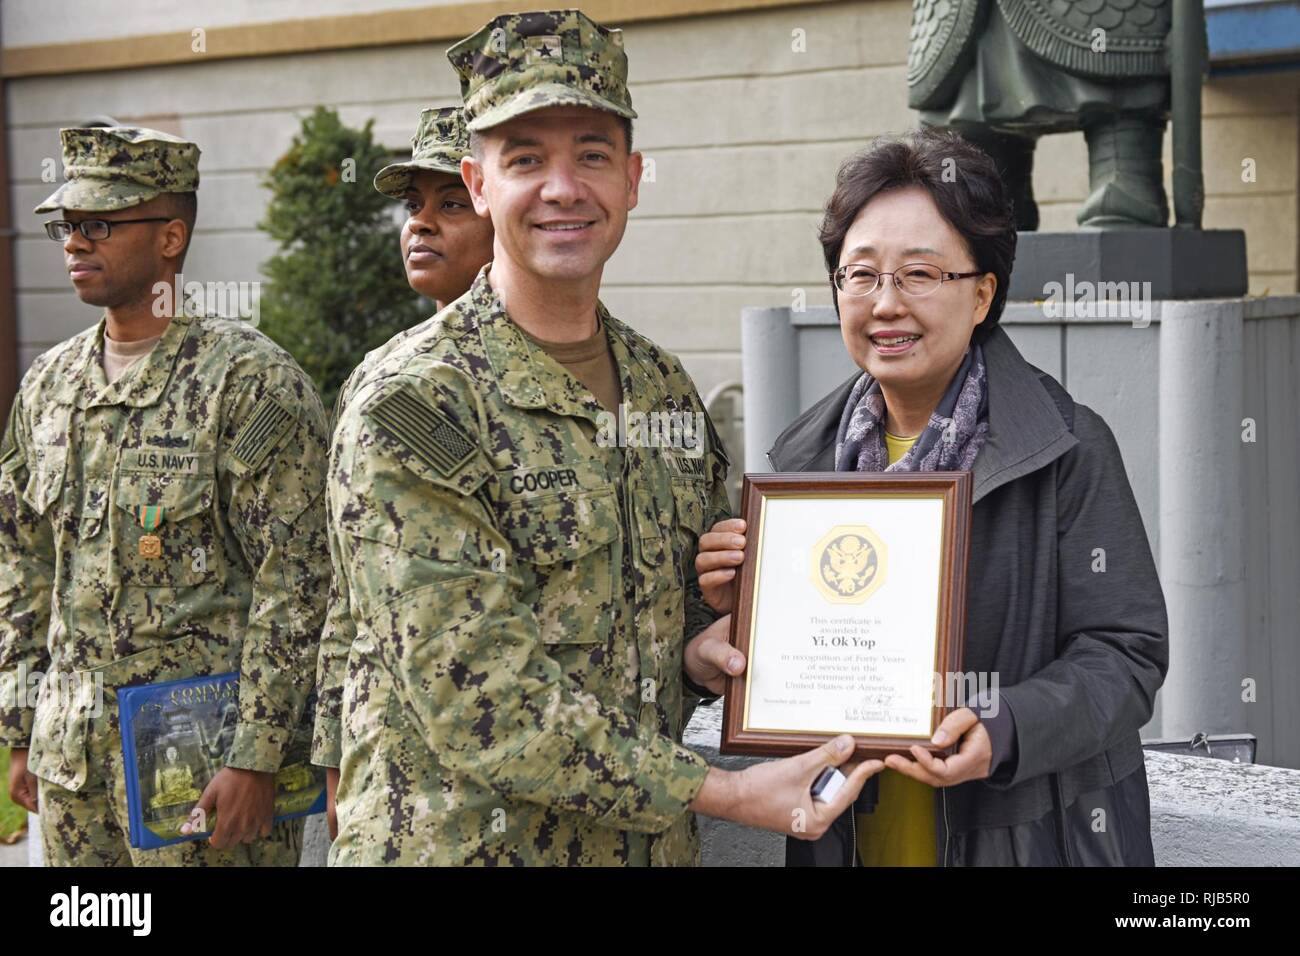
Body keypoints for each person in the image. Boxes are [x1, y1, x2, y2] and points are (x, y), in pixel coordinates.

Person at [326, 8, 882, 865]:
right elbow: (480, 699)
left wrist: (701, 650)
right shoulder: (415, 404)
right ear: (478, 183)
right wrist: (730, 793)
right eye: (525, 160)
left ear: (631, 177)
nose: (563, 188)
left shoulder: (661, 388)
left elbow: (654, 630)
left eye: (590, 155)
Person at [695, 127, 1169, 866]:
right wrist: (741, 616)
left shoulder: (1065, 447)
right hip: (847, 840)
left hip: (1022, 842)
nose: (886, 303)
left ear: (982, 293)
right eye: (860, 275)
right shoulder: (804, 464)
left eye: (919, 274)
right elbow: (789, 667)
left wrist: (1006, 725)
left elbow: (1127, 654)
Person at [0, 126, 330, 865]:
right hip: (73, 764)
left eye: (100, 224)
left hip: (206, 768)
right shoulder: (50, 386)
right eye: (68, 225)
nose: (75, 242)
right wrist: (21, 726)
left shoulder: (248, 383)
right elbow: (22, 564)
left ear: (171, 237)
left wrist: (256, 755)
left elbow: (298, 581)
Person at [311, 105, 495, 838]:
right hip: (404, 796)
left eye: (450, 204)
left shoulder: (614, 378)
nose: (419, 223)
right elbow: (346, 590)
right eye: (413, 205)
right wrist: (333, 750)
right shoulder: (384, 378)